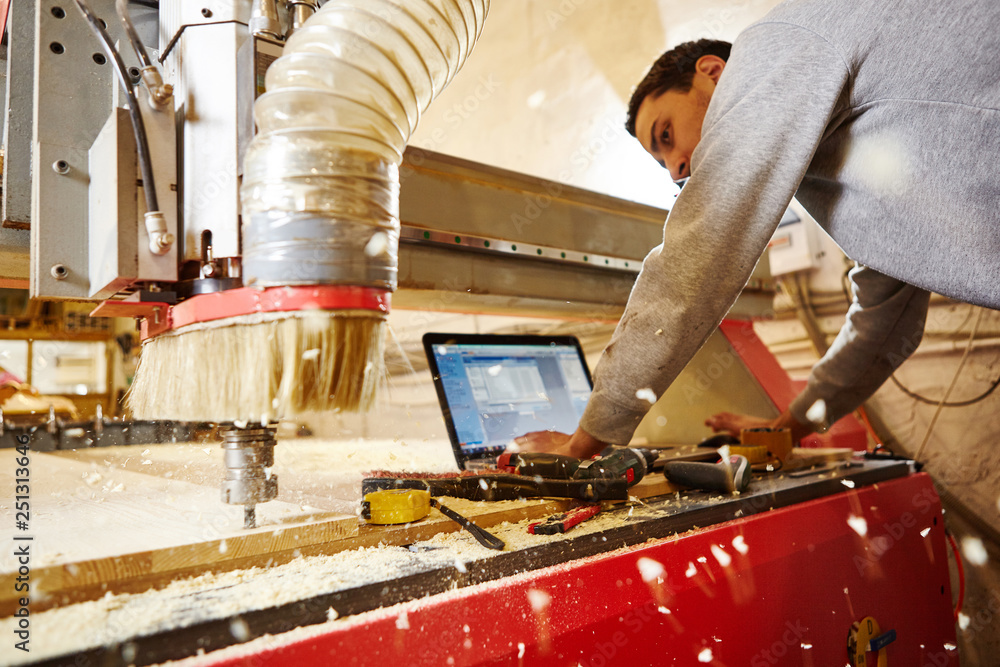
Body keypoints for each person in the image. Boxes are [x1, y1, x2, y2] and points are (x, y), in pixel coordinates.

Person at [514, 0, 1000, 458]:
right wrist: (785, 429)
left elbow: (697, 258)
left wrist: (582, 443)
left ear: (712, 71)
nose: (676, 167)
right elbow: (885, 323)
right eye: (662, 162)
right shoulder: (854, 156)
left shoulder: (770, 46)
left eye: (666, 135)